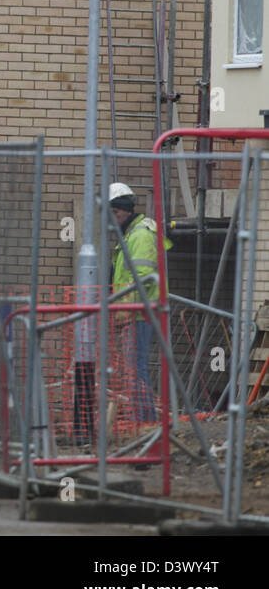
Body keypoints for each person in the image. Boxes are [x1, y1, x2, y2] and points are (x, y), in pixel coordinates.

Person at [109, 182, 171, 424]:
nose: (113, 219)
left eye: (116, 213)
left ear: (126, 210)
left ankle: (143, 422)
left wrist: (122, 310)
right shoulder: (130, 235)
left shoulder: (140, 236)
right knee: (133, 370)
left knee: (136, 370)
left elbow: (142, 281)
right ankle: (141, 420)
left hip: (138, 315)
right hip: (131, 314)